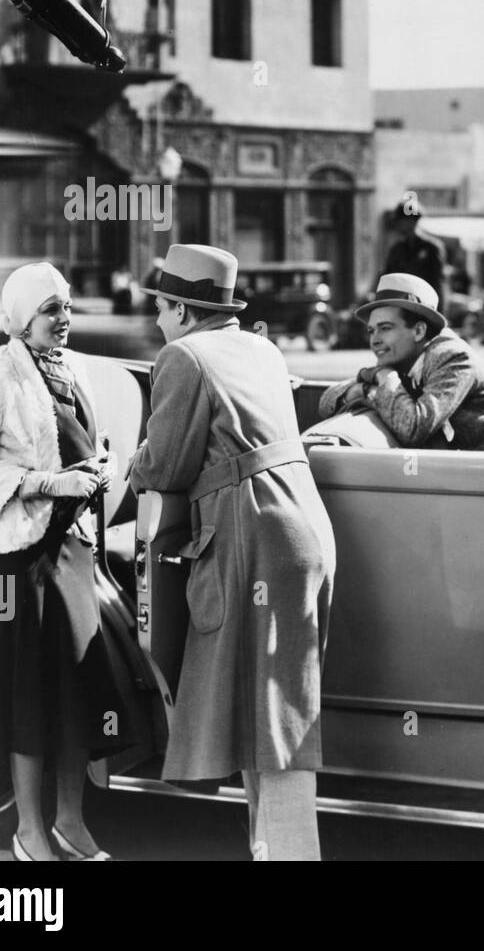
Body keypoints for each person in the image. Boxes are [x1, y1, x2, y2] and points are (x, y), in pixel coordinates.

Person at [127, 244, 335, 860]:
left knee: (272, 722)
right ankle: (269, 850)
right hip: (300, 526)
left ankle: (290, 856)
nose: (158, 321)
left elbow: (164, 463)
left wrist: (125, 467)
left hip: (254, 534)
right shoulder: (262, 348)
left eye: (162, 308)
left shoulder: (183, 355)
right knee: (270, 709)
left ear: (185, 312)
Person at [0, 262, 138, 862]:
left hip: (71, 552)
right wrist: (47, 484)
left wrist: (101, 468)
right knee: (29, 696)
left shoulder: (72, 369)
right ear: (21, 320)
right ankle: (29, 832)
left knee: (78, 690)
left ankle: (70, 824)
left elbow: (86, 442)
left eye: (67, 307)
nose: (64, 319)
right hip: (19, 561)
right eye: (51, 310)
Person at [318, 272, 484, 453]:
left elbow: (413, 427)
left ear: (419, 332)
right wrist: (364, 389)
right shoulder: (402, 355)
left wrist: (383, 378)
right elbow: (326, 402)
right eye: (372, 330)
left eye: (385, 328)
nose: (374, 340)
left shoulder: (453, 357)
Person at [384, 203, 447, 310]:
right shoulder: (396, 249)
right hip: (401, 306)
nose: (398, 225)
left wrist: (439, 312)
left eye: (400, 221)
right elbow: (388, 278)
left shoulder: (432, 248)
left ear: (412, 221)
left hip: (426, 306)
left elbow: (438, 283)